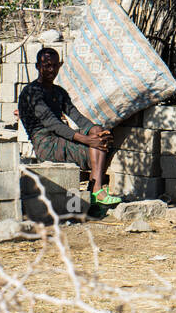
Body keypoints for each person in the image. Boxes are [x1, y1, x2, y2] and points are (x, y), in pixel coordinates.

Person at [17, 48, 120, 206]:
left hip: (60, 137)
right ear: (38, 66)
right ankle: (96, 190)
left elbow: (77, 116)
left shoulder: (59, 92)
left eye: (54, 66)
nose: (51, 70)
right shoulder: (31, 93)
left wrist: (96, 131)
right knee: (94, 147)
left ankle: (95, 191)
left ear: (60, 66)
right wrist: (86, 140)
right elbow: (53, 123)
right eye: (46, 65)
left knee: (98, 134)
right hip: (46, 144)